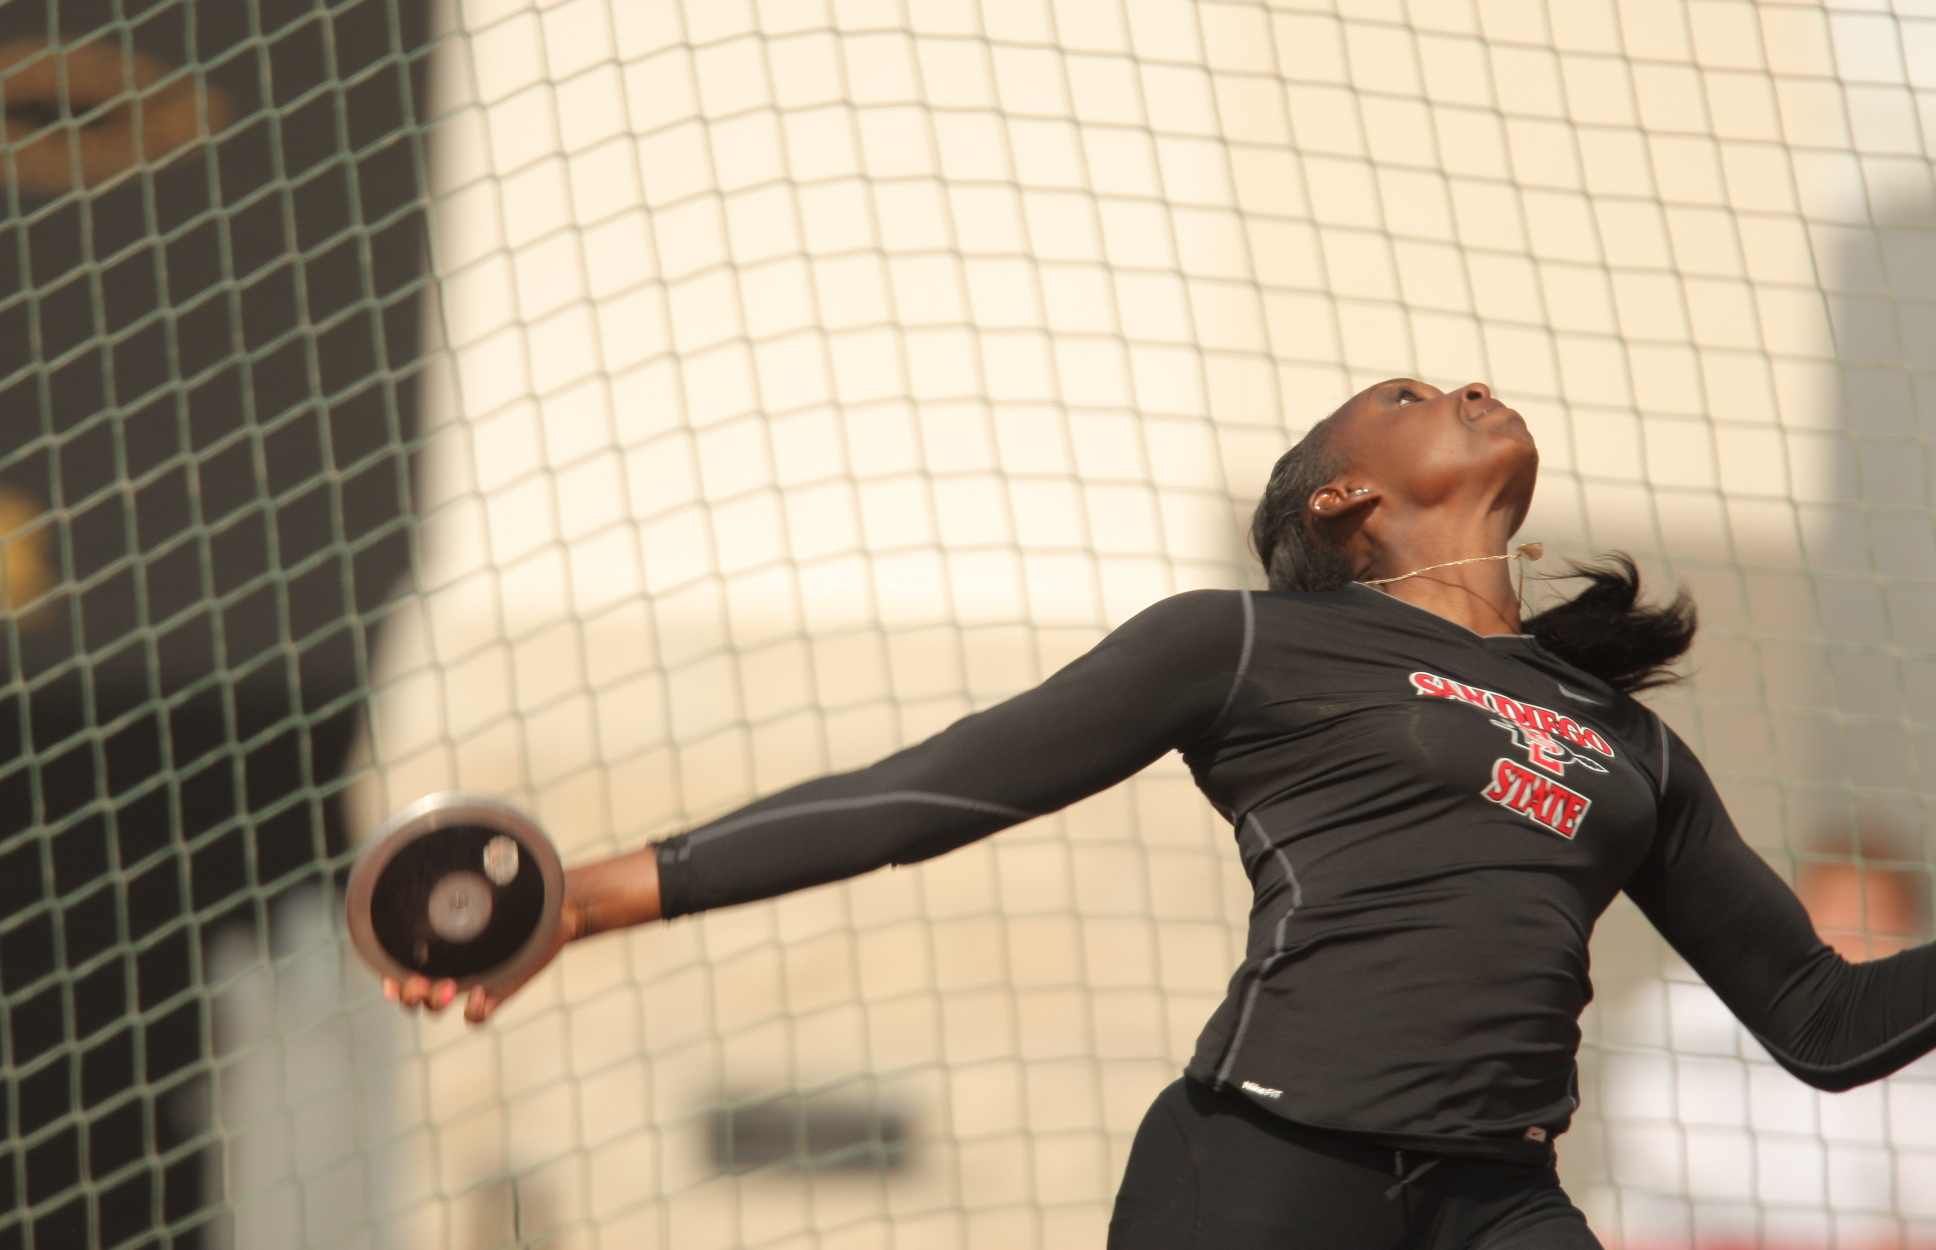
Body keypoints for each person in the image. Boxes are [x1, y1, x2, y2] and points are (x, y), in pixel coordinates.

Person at [384, 380, 1936, 1249]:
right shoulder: (1249, 643)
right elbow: (934, 791)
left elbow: (1824, 1020)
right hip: (1265, 1180)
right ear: (1345, 500)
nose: (1457, 389)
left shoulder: (1628, 744)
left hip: (1500, 1205)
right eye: (1402, 397)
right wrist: (589, 897)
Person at [1600, 829, 1936, 1249]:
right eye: (1838, 909)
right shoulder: (1691, 1002)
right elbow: (1662, 1147)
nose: (1851, 931)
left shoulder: (1916, 1051)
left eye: (1875, 918)